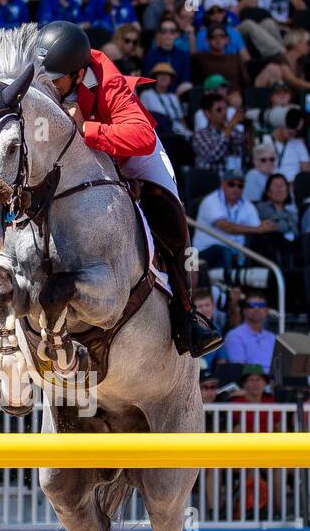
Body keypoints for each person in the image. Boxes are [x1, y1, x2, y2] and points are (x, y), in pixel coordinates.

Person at [30, 18, 221, 355]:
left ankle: (186, 315)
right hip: (73, 152)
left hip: (131, 153)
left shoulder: (106, 79)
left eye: (56, 80)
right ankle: (0, 305)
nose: (49, 85)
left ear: (77, 73)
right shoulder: (44, 72)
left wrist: (86, 129)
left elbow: (142, 138)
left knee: (169, 213)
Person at [192, 89, 247, 176]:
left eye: (225, 109)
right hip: (212, 181)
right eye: (219, 110)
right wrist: (229, 127)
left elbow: (242, 152)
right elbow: (213, 155)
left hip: (234, 179)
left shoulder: (234, 131)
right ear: (207, 113)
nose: (224, 113)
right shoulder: (200, 135)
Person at [223, 291, 276, 370]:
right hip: (248, 380)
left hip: (274, 381)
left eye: (261, 305)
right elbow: (239, 369)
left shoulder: (272, 337)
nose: (256, 308)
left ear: (266, 311)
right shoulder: (234, 335)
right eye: (252, 305)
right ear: (244, 310)